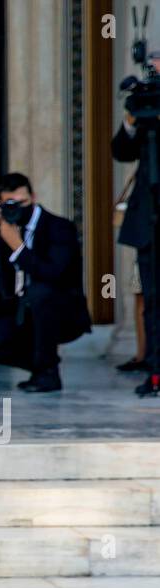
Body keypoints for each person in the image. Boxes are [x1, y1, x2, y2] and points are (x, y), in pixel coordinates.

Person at [0, 172, 92, 393]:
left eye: (21, 202)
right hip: (19, 313)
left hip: (61, 312)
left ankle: (47, 371)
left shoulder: (59, 227)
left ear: (33, 197)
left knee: (40, 292)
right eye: (9, 203)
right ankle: (43, 366)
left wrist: (18, 247)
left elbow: (52, 273)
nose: (16, 208)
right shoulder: (3, 227)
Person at [112, 110, 160, 394]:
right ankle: (155, 370)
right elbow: (121, 152)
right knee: (151, 300)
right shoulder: (144, 114)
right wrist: (131, 120)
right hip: (147, 224)